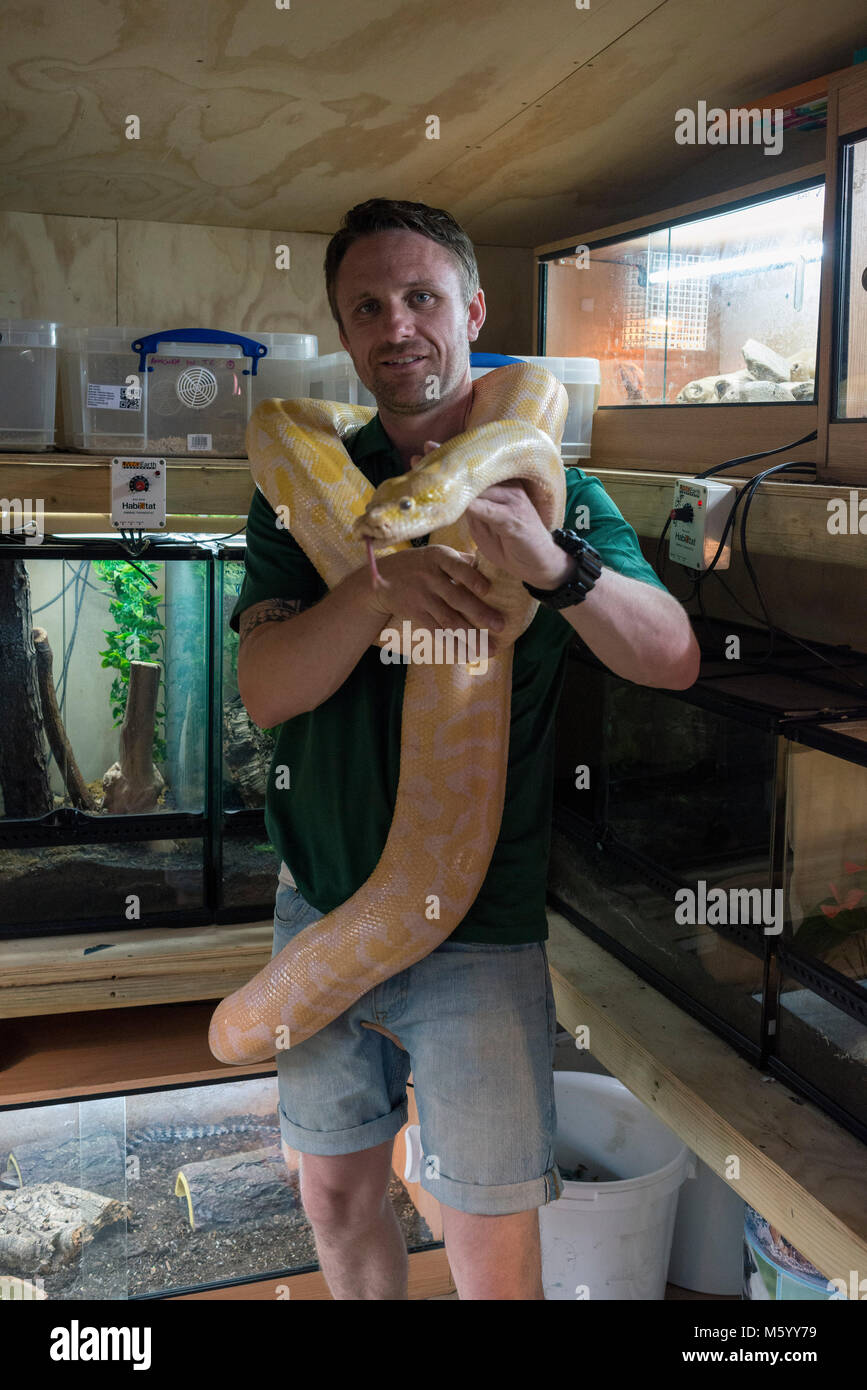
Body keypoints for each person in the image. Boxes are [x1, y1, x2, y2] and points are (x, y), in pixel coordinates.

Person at [230, 197, 701, 1300]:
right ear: (346, 333)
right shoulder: (304, 485)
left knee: (491, 1246)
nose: (399, 325)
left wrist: (555, 566)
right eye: (369, 305)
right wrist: (373, 586)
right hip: (323, 902)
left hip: (478, 933)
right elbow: (264, 689)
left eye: (422, 297)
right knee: (337, 1194)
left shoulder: (556, 492)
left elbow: (675, 657)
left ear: (472, 310)